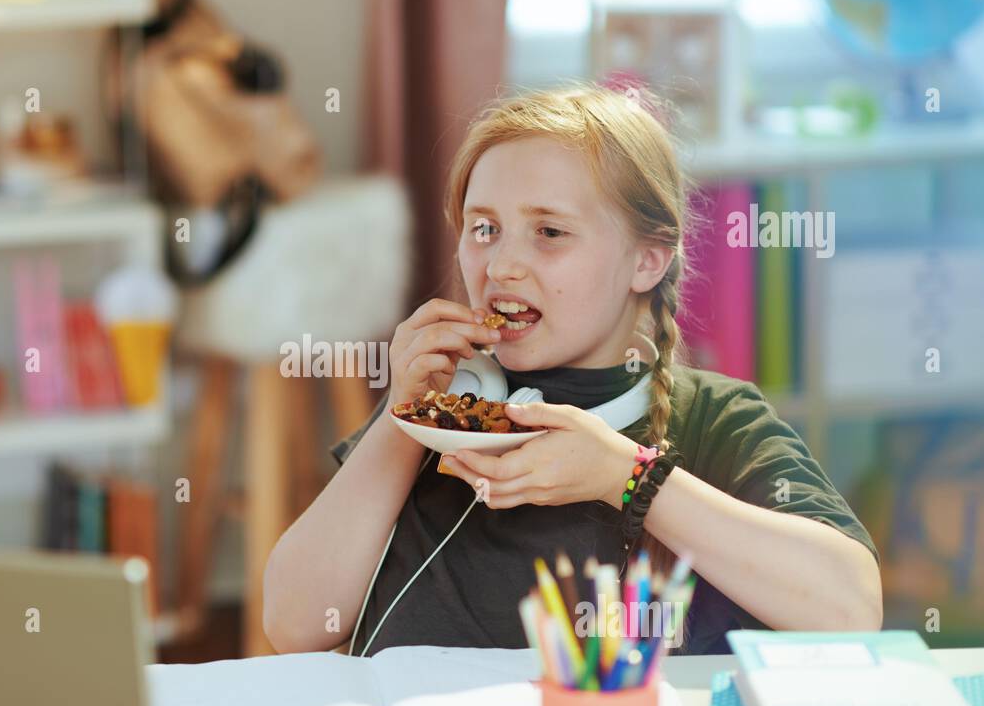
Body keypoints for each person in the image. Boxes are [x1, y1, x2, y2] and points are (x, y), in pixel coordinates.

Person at [263, 84, 881, 657]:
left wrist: (626, 476)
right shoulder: (442, 397)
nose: (501, 265)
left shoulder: (715, 418)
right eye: (484, 228)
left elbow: (850, 608)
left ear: (646, 263)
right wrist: (405, 416)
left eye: (550, 232)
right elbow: (293, 620)